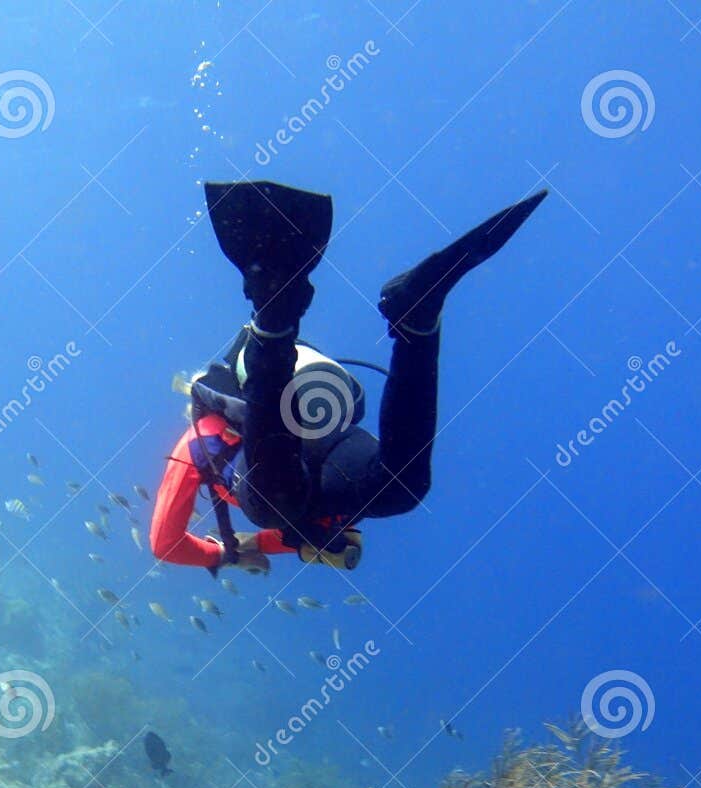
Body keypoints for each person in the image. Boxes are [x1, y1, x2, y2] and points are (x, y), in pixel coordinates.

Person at [149, 180, 546, 575]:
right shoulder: (265, 439)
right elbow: (329, 528)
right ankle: (414, 319)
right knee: (400, 487)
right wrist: (260, 544)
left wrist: (223, 554)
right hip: (329, 441)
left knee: (285, 501)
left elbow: (165, 544)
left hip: (286, 478)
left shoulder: (198, 441)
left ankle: (273, 312)